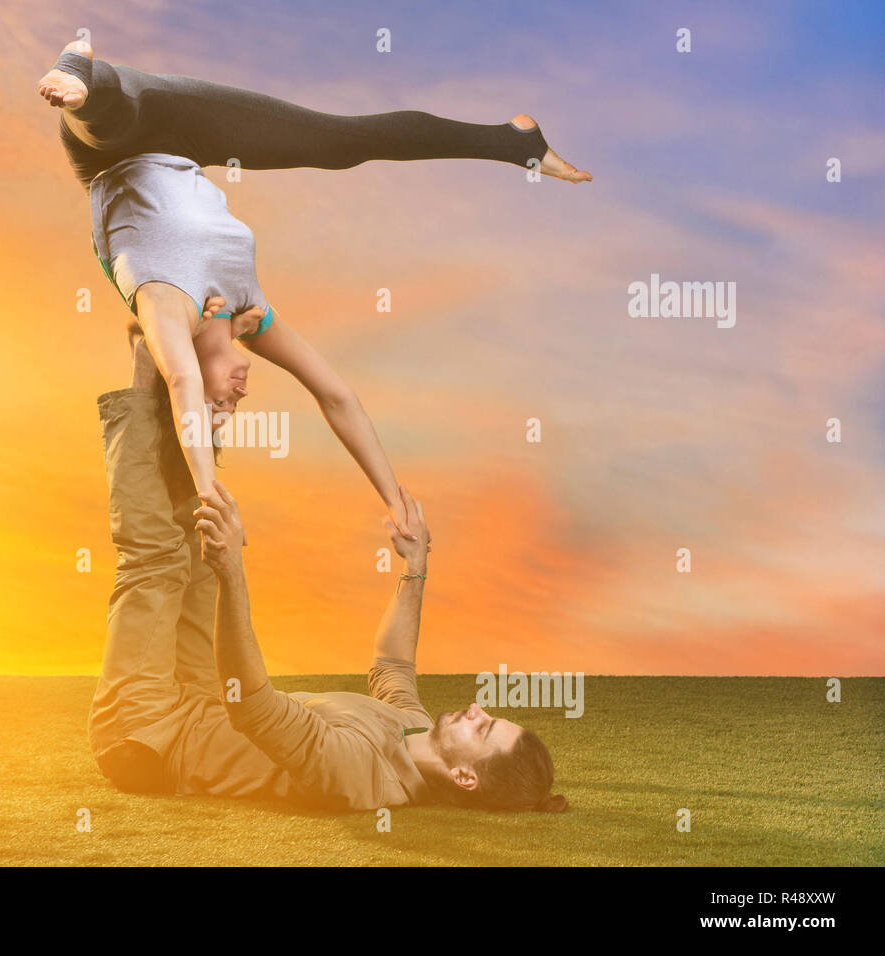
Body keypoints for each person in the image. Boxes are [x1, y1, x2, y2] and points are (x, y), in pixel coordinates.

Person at [40, 39, 592, 539]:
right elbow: (337, 397)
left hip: (105, 153)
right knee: (338, 144)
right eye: (232, 410)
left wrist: (208, 490)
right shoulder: (252, 313)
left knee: (106, 115)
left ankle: (78, 73)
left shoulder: (165, 303)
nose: (238, 398)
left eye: (220, 406)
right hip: (187, 139)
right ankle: (515, 142)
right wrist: (394, 499)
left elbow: (183, 378)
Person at [89, 344, 567, 813]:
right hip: (201, 696)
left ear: (466, 778)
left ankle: (146, 365)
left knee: (156, 563)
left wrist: (233, 570)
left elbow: (255, 708)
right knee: (195, 544)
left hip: (148, 729)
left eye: (483, 730)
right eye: (491, 716)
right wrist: (415, 566)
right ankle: (181, 375)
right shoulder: (413, 726)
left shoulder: (360, 776)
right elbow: (392, 667)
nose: (476, 711)